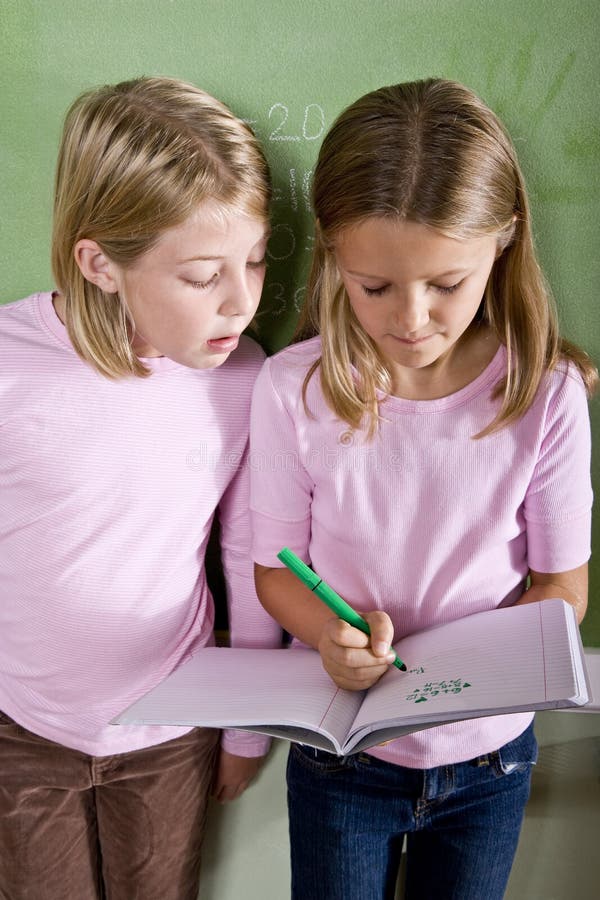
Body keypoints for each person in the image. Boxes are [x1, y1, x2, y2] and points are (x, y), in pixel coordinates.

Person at [250, 78, 596, 900]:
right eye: (376, 287)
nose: (412, 318)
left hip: (491, 758)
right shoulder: (291, 390)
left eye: (446, 284)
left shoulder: (545, 395)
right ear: (336, 254)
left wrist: (477, 668)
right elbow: (275, 572)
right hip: (343, 758)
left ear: (504, 243)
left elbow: (562, 586)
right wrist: (329, 639)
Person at [0, 76, 282, 900]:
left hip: (172, 731)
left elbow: (247, 561)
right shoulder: (9, 367)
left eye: (258, 261)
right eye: (202, 275)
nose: (241, 300)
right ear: (100, 263)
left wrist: (246, 731)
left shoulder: (243, 377)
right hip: (24, 731)